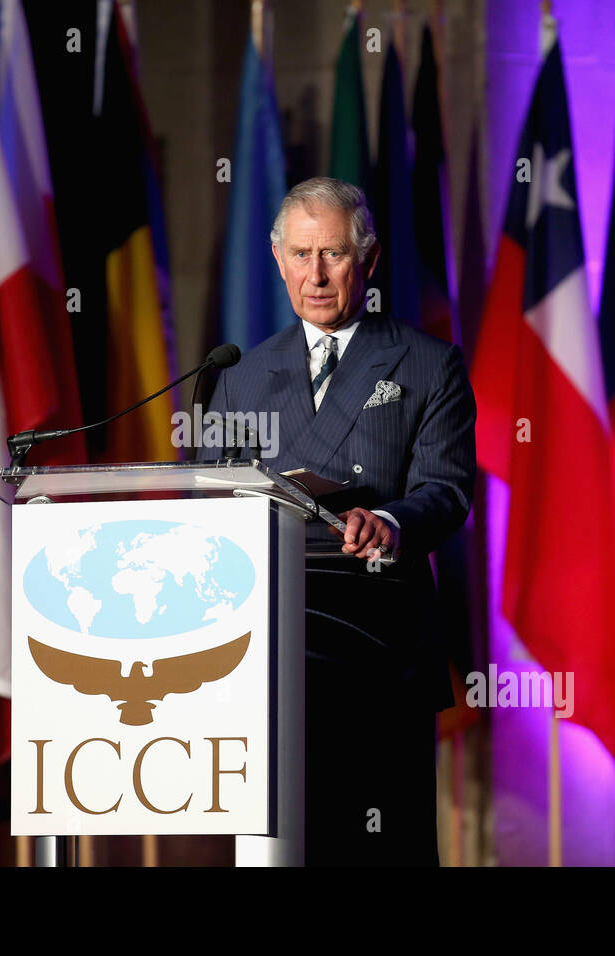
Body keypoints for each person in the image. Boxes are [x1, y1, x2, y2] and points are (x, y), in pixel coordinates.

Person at [200, 177, 476, 865]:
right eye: (299, 255)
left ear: (369, 259)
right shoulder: (239, 373)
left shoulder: (427, 363)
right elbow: (212, 498)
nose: (315, 274)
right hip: (269, 656)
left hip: (378, 651)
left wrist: (388, 520)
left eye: (332, 254)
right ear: (276, 259)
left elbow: (447, 488)